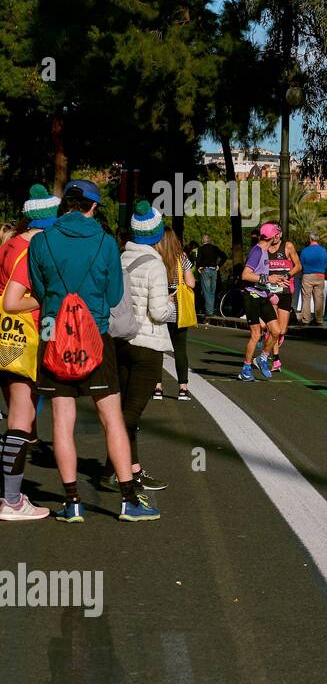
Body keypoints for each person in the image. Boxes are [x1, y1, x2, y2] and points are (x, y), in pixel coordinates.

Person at [27, 180, 159, 522]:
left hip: (54, 335)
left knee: (62, 420)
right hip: (95, 337)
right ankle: (129, 500)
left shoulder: (41, 241)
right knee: (111, 418)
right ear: (93, 207)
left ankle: (71, 503)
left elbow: (40, 289)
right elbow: (115, 293)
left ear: (65, 205)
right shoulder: (105, 242)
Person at [0, 185, 60, 520]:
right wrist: (47, 298)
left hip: (4, 335)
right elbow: (12, 301)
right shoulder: (32, 248)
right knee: (21, 419)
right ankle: (11, 500)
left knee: (17, 416)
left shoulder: (10, 244)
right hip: (22, 336)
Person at [113, 203, 173, 491]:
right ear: (156, 235)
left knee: (124, 408)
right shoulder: (155, 265)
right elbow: (159, 312)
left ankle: (129, 467)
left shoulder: (121, 259)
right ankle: (118, 465)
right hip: (147, 344)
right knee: (131, 413)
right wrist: (172, 304)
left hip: (120, 340)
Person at [238, 224, 288, 380]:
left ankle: (263, 358)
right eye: (277, 235)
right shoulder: (257, 252)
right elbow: (245, 275)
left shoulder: (265, 251)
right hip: (252, 296)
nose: (278, 238)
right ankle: (246, 369)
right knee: (256, 334)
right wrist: (268, 279)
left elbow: (261, 276)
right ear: (272, 237)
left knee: (276, 331)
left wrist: (274, 283)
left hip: (263, 295)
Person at [151, 228, 196, 402]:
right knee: (180, 351)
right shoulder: (182, 258)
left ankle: (157, 387)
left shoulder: (156, 259)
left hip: (160, 309)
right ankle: (183, 389)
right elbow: (191, 283)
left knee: (158, 350)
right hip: (179, 312)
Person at [262, 225, 300, 372]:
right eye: (274, 235)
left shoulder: (288, 246)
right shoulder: (264, 248)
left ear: (281, 234)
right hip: (270, 292)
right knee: (274, 328)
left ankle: (271, 341)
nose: (276, 237)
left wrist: (287, 276)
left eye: (278, 234)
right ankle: (275, 359)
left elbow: (298, 266)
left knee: (282, 329)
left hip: (285, 291)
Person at [298, 231, 327, 325]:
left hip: (308, 275)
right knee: (319, 297)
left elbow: (301, 264)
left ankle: (306, 319)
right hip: (320, 275)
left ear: (310, 239)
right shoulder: (323, 250)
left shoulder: (305, 250)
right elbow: (326, 264)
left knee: (306, 297)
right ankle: (319, 319)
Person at [195, 233, 226, 317]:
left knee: (206, 291)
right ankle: (211, 310)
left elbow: (198, 260)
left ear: (202, 240)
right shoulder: (215, 248)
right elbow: (224, 256)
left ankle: (209, 312)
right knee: (212, 291)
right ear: (210, 240)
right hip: (214, 270)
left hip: (205, 270)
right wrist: (219, 265)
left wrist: (198, 267)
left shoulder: (200, 249)